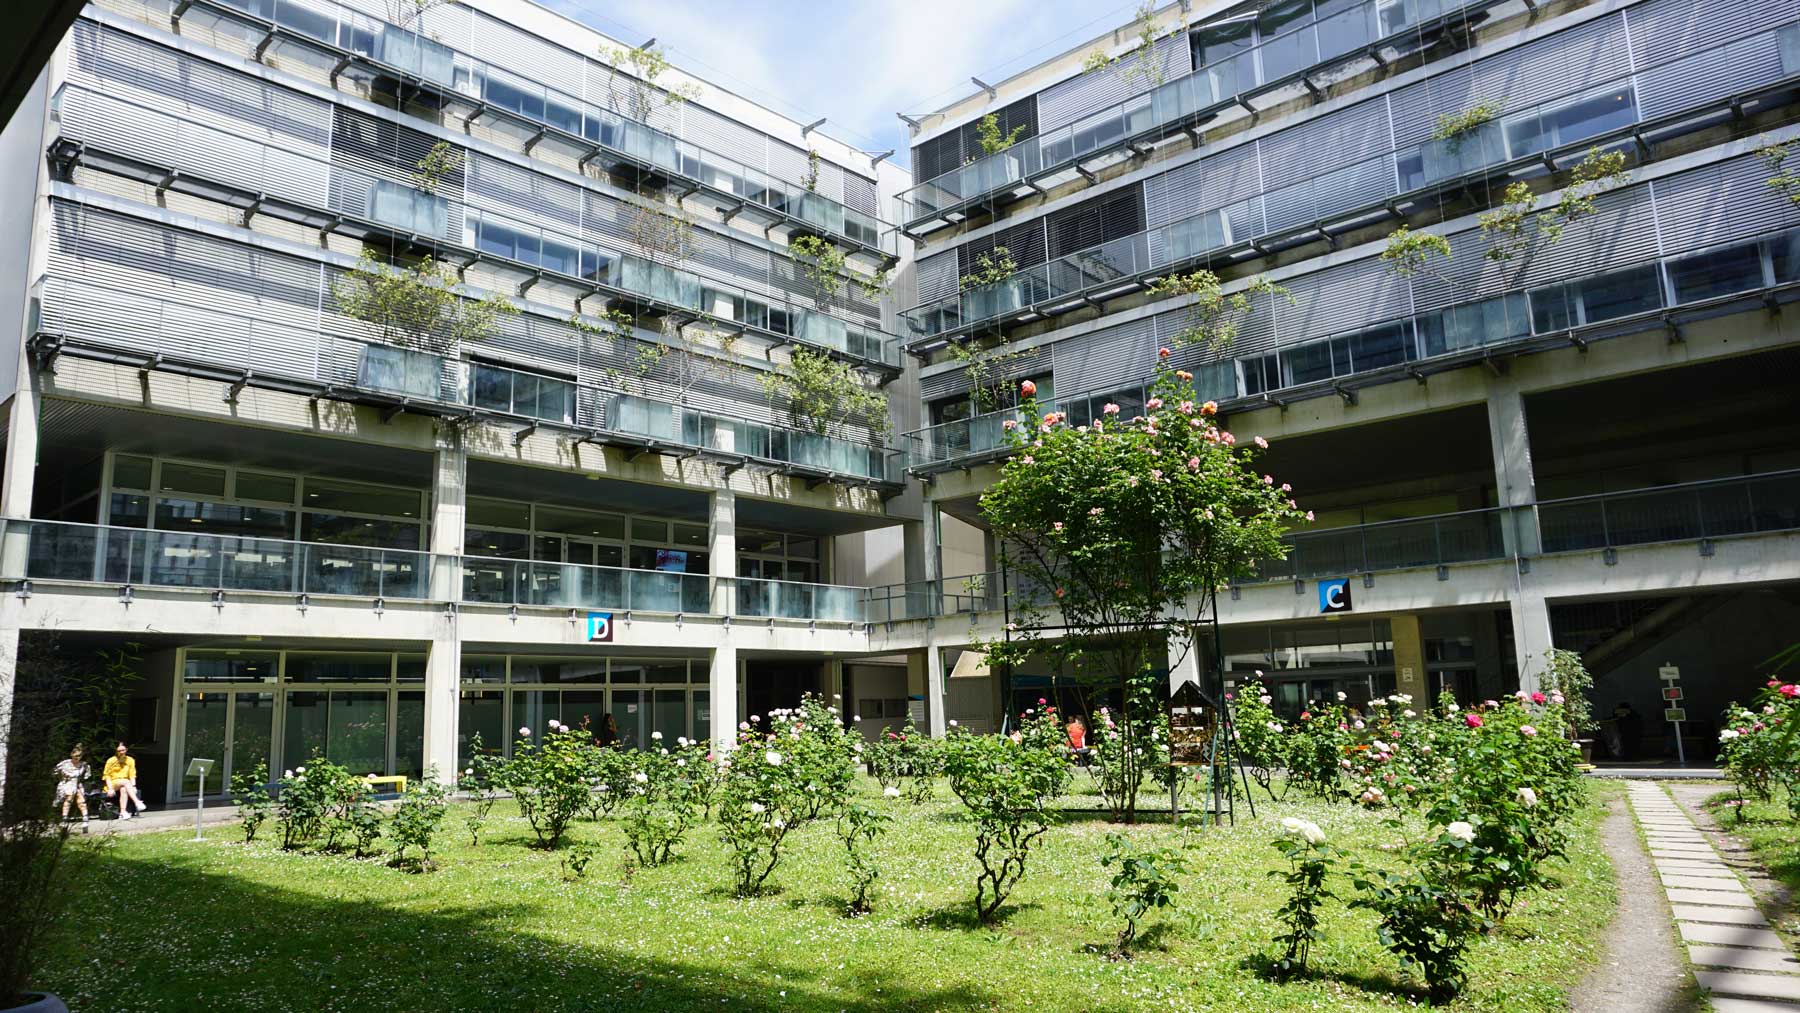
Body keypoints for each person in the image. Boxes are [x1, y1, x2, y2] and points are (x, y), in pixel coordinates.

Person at [103, 742, 148, 819]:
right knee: (126, 782)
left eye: (123, 750)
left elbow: (132, 775)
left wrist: (134, 786)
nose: (121, 752)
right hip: (113, 783)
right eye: (119, 751)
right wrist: (110, 788)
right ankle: (137, 802)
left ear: (126, 750)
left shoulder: (130, 760)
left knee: (124, 788)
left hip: (126, 784)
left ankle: (122, 812)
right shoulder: (111, 760)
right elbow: (107, 776)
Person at [55, 746, 90, 823]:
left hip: (77, 783)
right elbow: (55, 772)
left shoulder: (84, 765)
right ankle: (64, 817)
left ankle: (85, 816)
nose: (78, 757)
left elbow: (86, 776)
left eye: (80, 755)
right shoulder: (64, 764)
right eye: (76, 755)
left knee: (81, 800)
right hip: (67, 783)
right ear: (72, 754)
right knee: (69, 799)